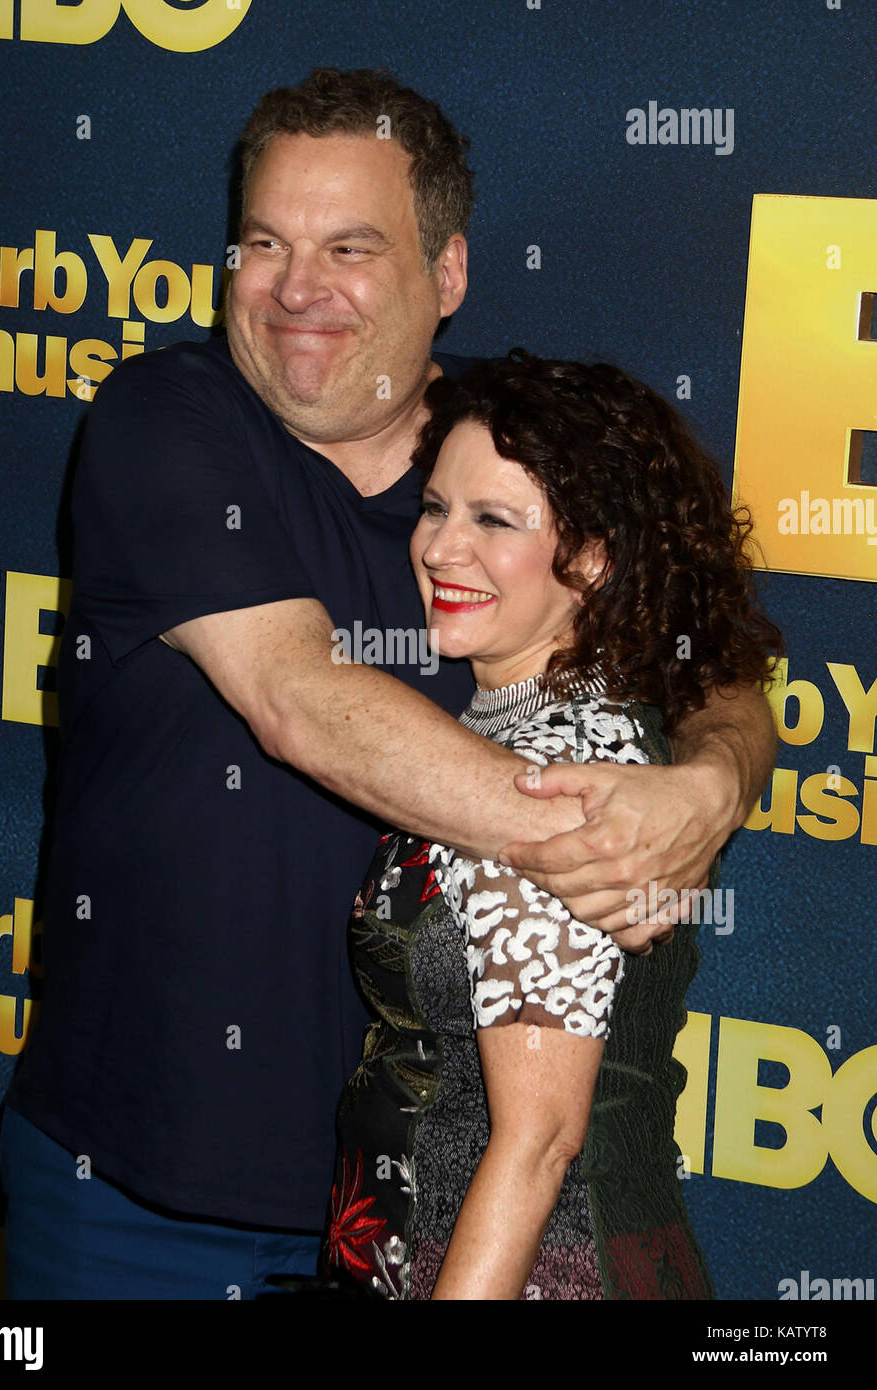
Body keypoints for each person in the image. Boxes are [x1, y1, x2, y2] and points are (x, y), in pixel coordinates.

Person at [0, 69, 776, 1300]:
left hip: (412, 1217)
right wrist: (598, 838)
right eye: (264, 242)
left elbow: (714, 658)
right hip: (132, 1196)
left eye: (349, 247)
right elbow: (300, 701)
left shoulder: (511, 464)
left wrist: (711, 783)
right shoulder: (165, 417)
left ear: (449, 273)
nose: (296, 289)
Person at [325, 351, 783, 1301]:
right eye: (436, 507)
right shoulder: (512, 713)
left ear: (592, 557)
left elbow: (538, 1144)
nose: (441, 548)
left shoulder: (564, 757)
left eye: (495, 520)